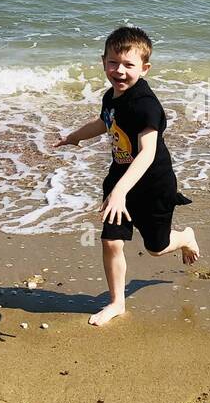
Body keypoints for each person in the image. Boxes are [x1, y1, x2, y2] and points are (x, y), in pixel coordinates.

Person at [55, 25, 199, 326]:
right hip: (120, 180)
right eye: (113, 62)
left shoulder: (146, 105)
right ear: (103, 61)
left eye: (128, 65)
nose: (119, 71)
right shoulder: (112, 96)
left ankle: (185, 237)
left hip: (154, 185)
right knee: (111, 242)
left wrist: (120, 191)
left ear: (144, 68)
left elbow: (147, 153)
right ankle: (117, 302)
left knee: (156, 248)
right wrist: (75, 136)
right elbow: (105, 122)